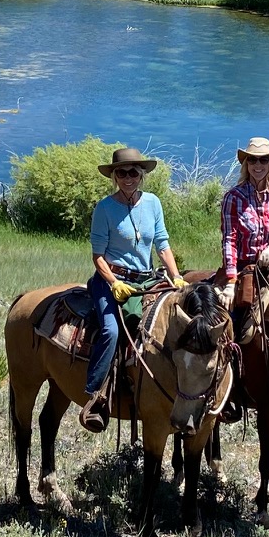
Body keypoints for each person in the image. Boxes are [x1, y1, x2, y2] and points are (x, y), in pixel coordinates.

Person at [77, 145, 183, 432]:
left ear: (141, 175)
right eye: (122, 173)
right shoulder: (104, 208)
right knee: (111, 330)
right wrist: (114, 283)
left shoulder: (153, 203)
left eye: (133, 173)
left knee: (173, 323)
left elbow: (162, 244)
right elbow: (97, 256)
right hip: (111, 279)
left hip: (147, 279)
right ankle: (96, 393)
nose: (128, 178)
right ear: (114, 176)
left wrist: (176, 277)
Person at [221, 135, 269, 340]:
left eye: (263, 160)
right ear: (246, 164)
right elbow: (229, 241)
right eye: (252, 160)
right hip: (243, 268)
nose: (258, 165)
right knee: (229, 325)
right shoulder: (233, 197)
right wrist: (230, 282)